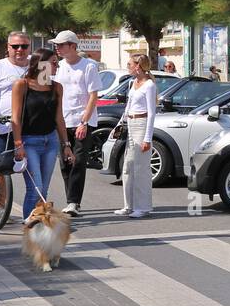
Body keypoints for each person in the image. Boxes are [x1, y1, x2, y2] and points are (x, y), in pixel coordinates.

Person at [10, 47, 74, 224]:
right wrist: (18, 144)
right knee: (35, 188)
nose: (57, 66)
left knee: (43, 190)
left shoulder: (57, 87)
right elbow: (15, 118)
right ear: (41, 64)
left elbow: (59, 118)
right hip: (29, 142)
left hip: (50, 141)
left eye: (57, 63)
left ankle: (37, 229)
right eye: (54, 63)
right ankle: (29, 230)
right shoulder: (22, 85)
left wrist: (66, 145)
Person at [52, 30, 104, 217]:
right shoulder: (57, 66)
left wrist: (84, 122)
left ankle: (74, 202)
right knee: (65, 162)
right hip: (62, 122)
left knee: (79, 162)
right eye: (56, 45)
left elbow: (93, 96)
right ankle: (71, 200)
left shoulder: (88, 66)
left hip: (83, 121)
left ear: (72, 46)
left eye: (61, 44)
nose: (57, 48)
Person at [114, 52, 157, 218]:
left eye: (130, 64)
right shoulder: (133, 82)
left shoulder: (149, 85)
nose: (128, 67)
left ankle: (143, 206)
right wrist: (119, 124)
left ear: (138, 66)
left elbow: (151, 113)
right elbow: (128, 106)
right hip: (131, 124)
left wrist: (147, 138)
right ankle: (128, 205)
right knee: (128, 166)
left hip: (141, 124)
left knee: (141, 168)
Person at [0, 31, 33, 161]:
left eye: (24, 46)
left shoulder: (39, 65)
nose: (20, 49)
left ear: (30, 47)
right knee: (3, 169)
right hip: (4, 128)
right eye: (15, 46)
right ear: (8, 46)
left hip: (33, 128)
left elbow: (46, 94)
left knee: (32, 169)